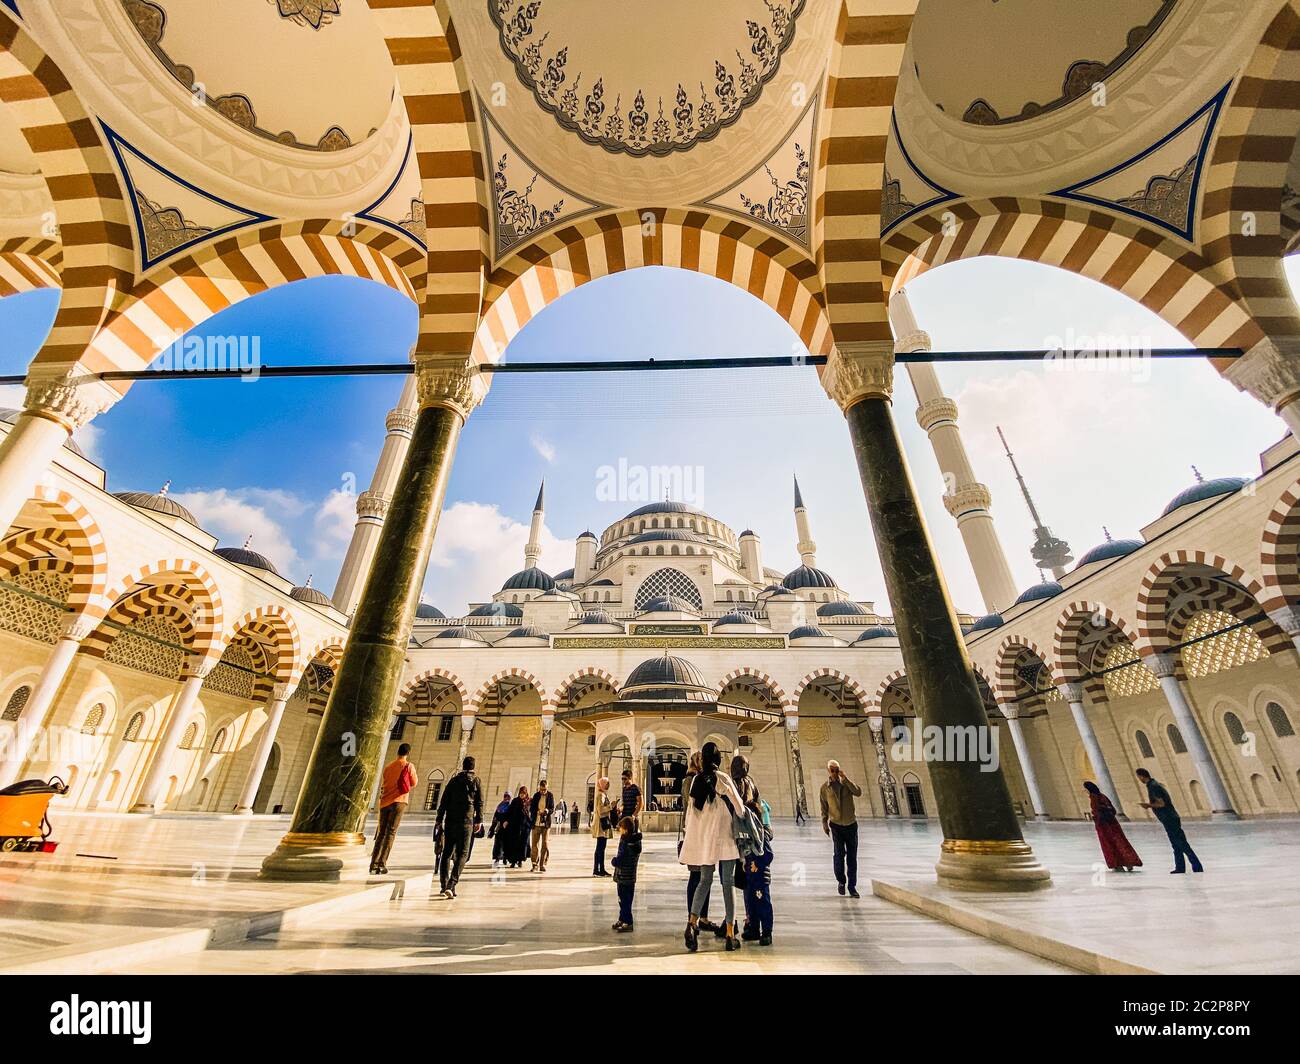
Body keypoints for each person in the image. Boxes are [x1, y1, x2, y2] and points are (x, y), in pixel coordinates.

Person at [680, 742, 744, 952]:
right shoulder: (723, 779)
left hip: (706, 842)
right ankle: (729, 933)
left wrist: (692, 839)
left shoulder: (697, 780)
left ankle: (691, 924)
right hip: (725, 839)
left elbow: (690, 815)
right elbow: (740, 808)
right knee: (728, 883)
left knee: (704, 881)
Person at [1137, 768, 1203, 873]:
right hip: (1169, 818)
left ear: (1141, 776)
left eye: (1139, 777)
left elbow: (1161, 804)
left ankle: (1197, 866)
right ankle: (1180, 868)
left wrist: (1148, 805)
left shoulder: (1153, 787)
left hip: (1169, 818)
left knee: (1182, 843)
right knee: (1176, 844)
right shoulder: (1154, 785)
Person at [680, 752, 717, 935]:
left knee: (705, 878)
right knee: (696, 877)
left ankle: (703, 917)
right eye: (701, 760)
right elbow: (692, 805)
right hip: (695, 834)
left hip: (705, 834)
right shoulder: (690, 780)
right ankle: (692, 917)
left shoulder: (703, 778)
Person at [435, 755, 483, 898]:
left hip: (450, 821)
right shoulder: (476, 781)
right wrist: (479, 821)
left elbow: (443, 801)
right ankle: (451, 884)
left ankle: (444, 886)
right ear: (473, 767)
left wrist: (439, 819)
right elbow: (479, 803)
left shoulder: (453, 781)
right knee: (463, 853)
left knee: (447, 852)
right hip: (466, 822)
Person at [370, 742, 416, 876]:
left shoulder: (388, 767)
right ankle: (382, 864)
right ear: (408, 753)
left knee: (381, 833)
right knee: (391, 832)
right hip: (399, 802)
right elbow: (414, 782)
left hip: (384, 803)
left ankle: (373, 863)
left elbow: (385, 782)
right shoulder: (408, 766)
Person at [730, 754, 762, 940]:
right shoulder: (750, 783)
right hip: (750, 838)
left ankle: (735, 923)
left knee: (733, 882)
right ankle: (752, 921)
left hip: (736, 838)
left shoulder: (732, 785)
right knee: (749, 882)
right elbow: (758, 807)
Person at [820, 759, 861, 898]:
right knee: (839, 854)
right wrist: (824, 823)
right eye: (832, 770)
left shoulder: (846, 784)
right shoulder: (825, 788)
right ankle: (841, 881)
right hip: (836, 825)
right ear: (828, 771)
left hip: (850, 824)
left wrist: (846, 779)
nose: (835, 772)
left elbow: (858, 792)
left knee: (852, 857)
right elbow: (824, 807)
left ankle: (852, 886)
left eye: (837, 769)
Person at [1084, 781, 1141, 872]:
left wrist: (1095, 817)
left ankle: (1117, 864)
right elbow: (1113, 809)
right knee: (1121, 842)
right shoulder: (1103, 796)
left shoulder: (1093, 798)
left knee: (1109, 844)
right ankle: (1129, 862)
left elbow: (1096, 811)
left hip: (1103, 826)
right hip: (1113, 823)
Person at [610, 815, 642, 932]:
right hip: (630, 876)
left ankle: (628, 921)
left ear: (626, 829)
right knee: (625, 899)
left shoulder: (626, 842)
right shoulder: (635, 841)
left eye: (621, 828)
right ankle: (622, 918)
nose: (619, 830)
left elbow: (622, 859)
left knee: (624, 900)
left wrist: (614, 861)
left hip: (623, 875)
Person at [502, 785, 532, 868]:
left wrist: (530, 824)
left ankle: (520, 860)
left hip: (525, 827)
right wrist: (506, 821)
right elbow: (510, 812)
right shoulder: (515, 801)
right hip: (515, 826)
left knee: (522, 844)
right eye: (521, 793)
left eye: (524, 793)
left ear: (526, 794)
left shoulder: (528, 802)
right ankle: (513, 861)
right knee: (514, 844)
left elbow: (531, 814)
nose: (522, 795)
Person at [529, 779, 556, 872]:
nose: (543, 791)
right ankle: (534, 864)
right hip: (536, 823)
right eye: (541, 789)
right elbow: (531, 808)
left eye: (544, 789)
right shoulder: (536, 796)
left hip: (545, 824)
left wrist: (547, 811)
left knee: (545, 844)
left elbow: (552, 808)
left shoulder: (550, 796)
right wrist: (537, 811)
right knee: (534, 845)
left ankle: (542, 864)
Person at [591, 777, 613, 877]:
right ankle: (597, 870)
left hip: (603, 823)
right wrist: (611, 806)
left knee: (601, 847)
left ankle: (601, 869)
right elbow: (600, 810)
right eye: (607, 783)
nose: (608, 785)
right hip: (601, 824)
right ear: (602, 784)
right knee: (600, 847)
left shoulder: (603, 795)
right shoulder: (600, 795)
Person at [488, 790, 512, 867]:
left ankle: (505, 858)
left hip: (508, 828)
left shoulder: (511, 807)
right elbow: (495, 817)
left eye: (508, 797)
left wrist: (507, 822)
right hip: (499, 828)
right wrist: (492, 828)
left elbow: (512, 816)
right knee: (498, 844)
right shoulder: (500, 806)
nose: (506, 798)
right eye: (505, 796)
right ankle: (497, 859)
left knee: (507, 844)